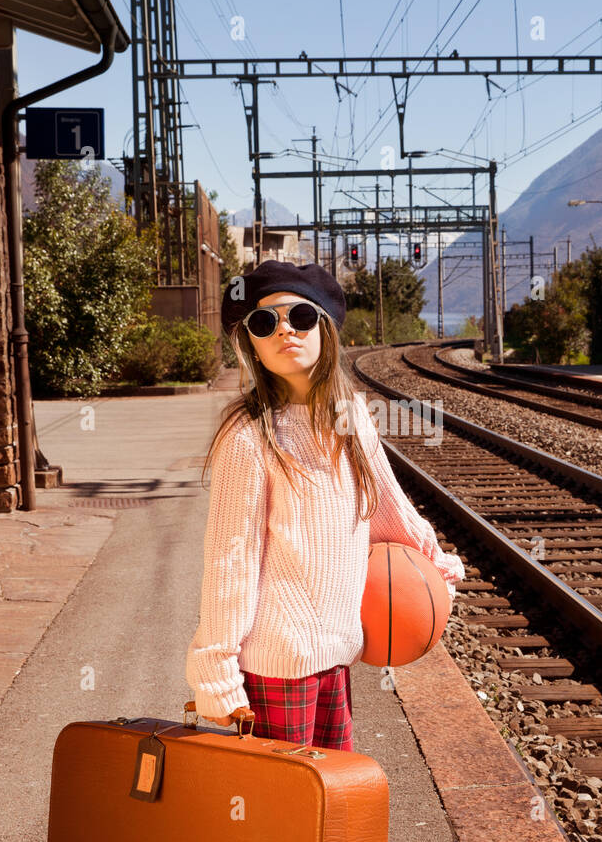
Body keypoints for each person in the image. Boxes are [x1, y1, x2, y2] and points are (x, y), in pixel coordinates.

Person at [186, 258, 465, 736]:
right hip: (276, 665)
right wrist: (216, 673)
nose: (284, 331)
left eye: (299, 316)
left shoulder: (351, 417)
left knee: (332, 804)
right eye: (263, 321)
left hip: (338, 655)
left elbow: (385, 507)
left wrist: (433, 562)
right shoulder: (249, 436)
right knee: (284, 808)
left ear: (325, 329)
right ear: (251, 344)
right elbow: (232, 560)